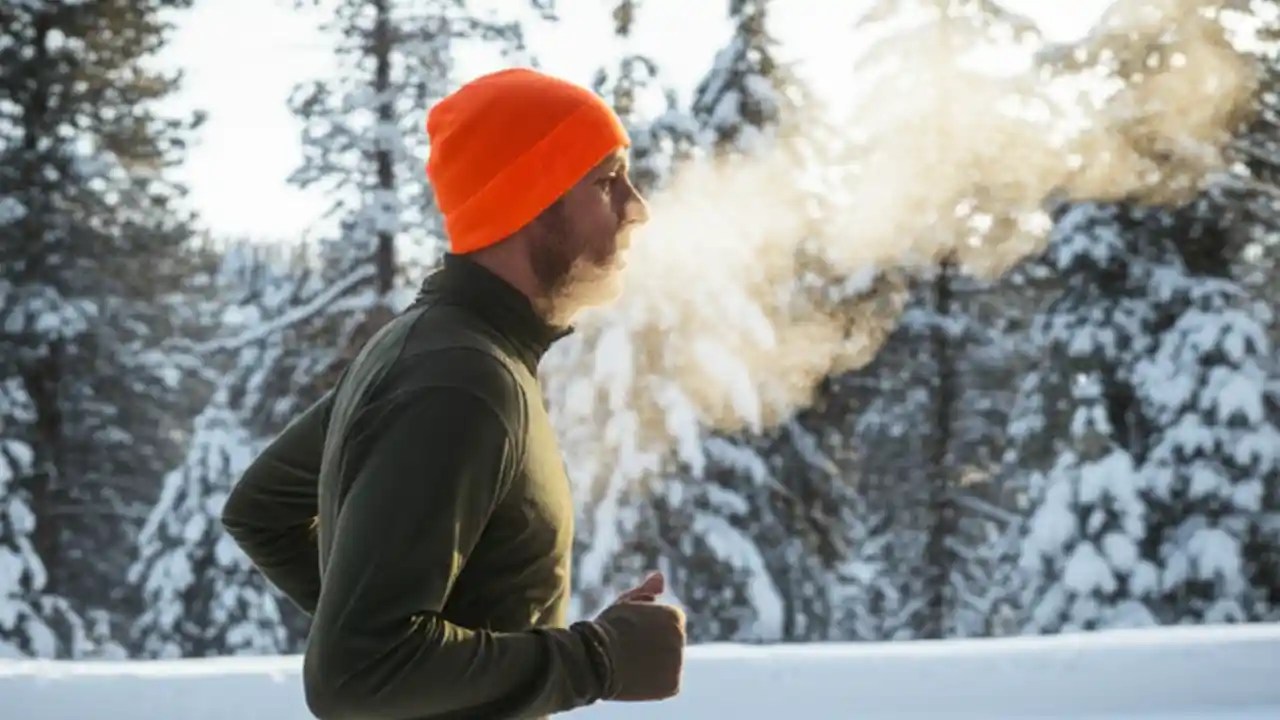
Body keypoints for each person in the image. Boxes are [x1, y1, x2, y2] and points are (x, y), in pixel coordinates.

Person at [220, 67, 686, 719]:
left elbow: (261, 510)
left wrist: (406, 635)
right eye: (607, 181)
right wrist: (594, 660)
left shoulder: (436, 349)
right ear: (531, 200)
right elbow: (355, 675)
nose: (637, 207)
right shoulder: (462, 381)